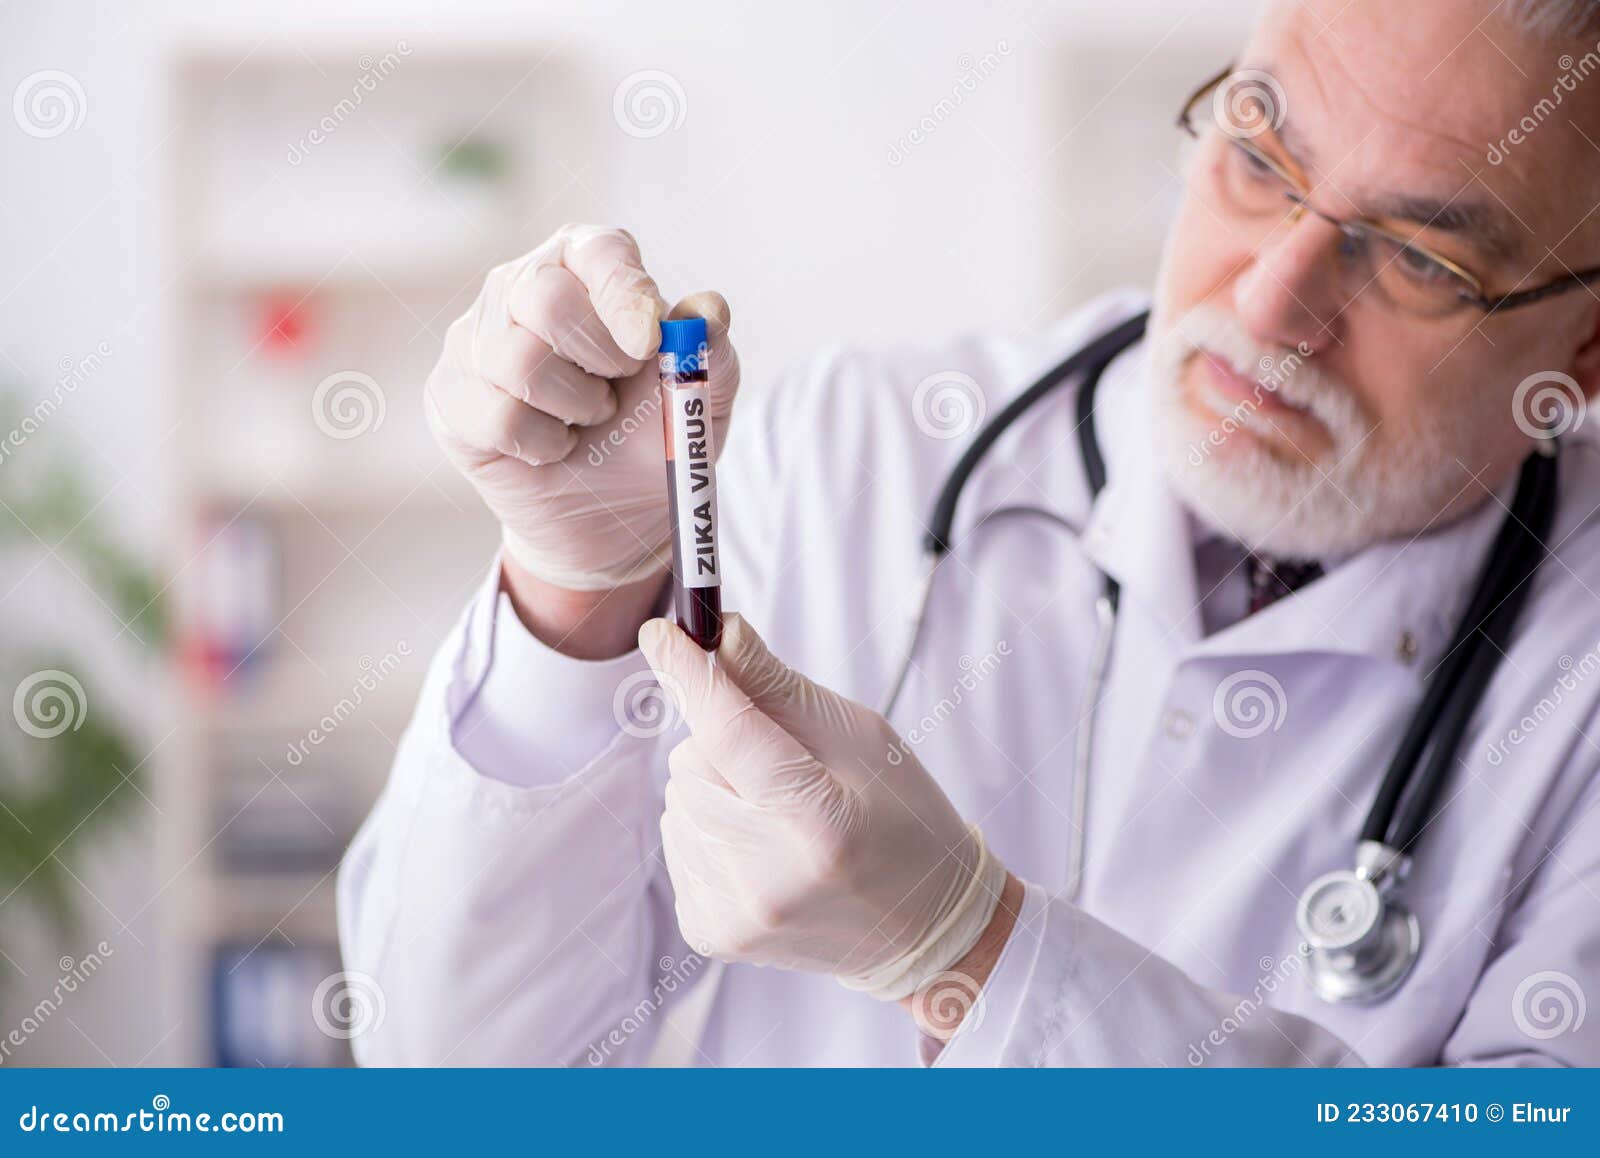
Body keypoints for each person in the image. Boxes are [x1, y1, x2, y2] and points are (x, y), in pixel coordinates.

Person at [338, 0, 1600, 1065]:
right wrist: (578, 593)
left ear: (1584, 353)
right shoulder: (859, 450)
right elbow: (453, 1063)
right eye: (1260, 159)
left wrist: (970, 954)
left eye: (1421, 258)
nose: (1274, 300)